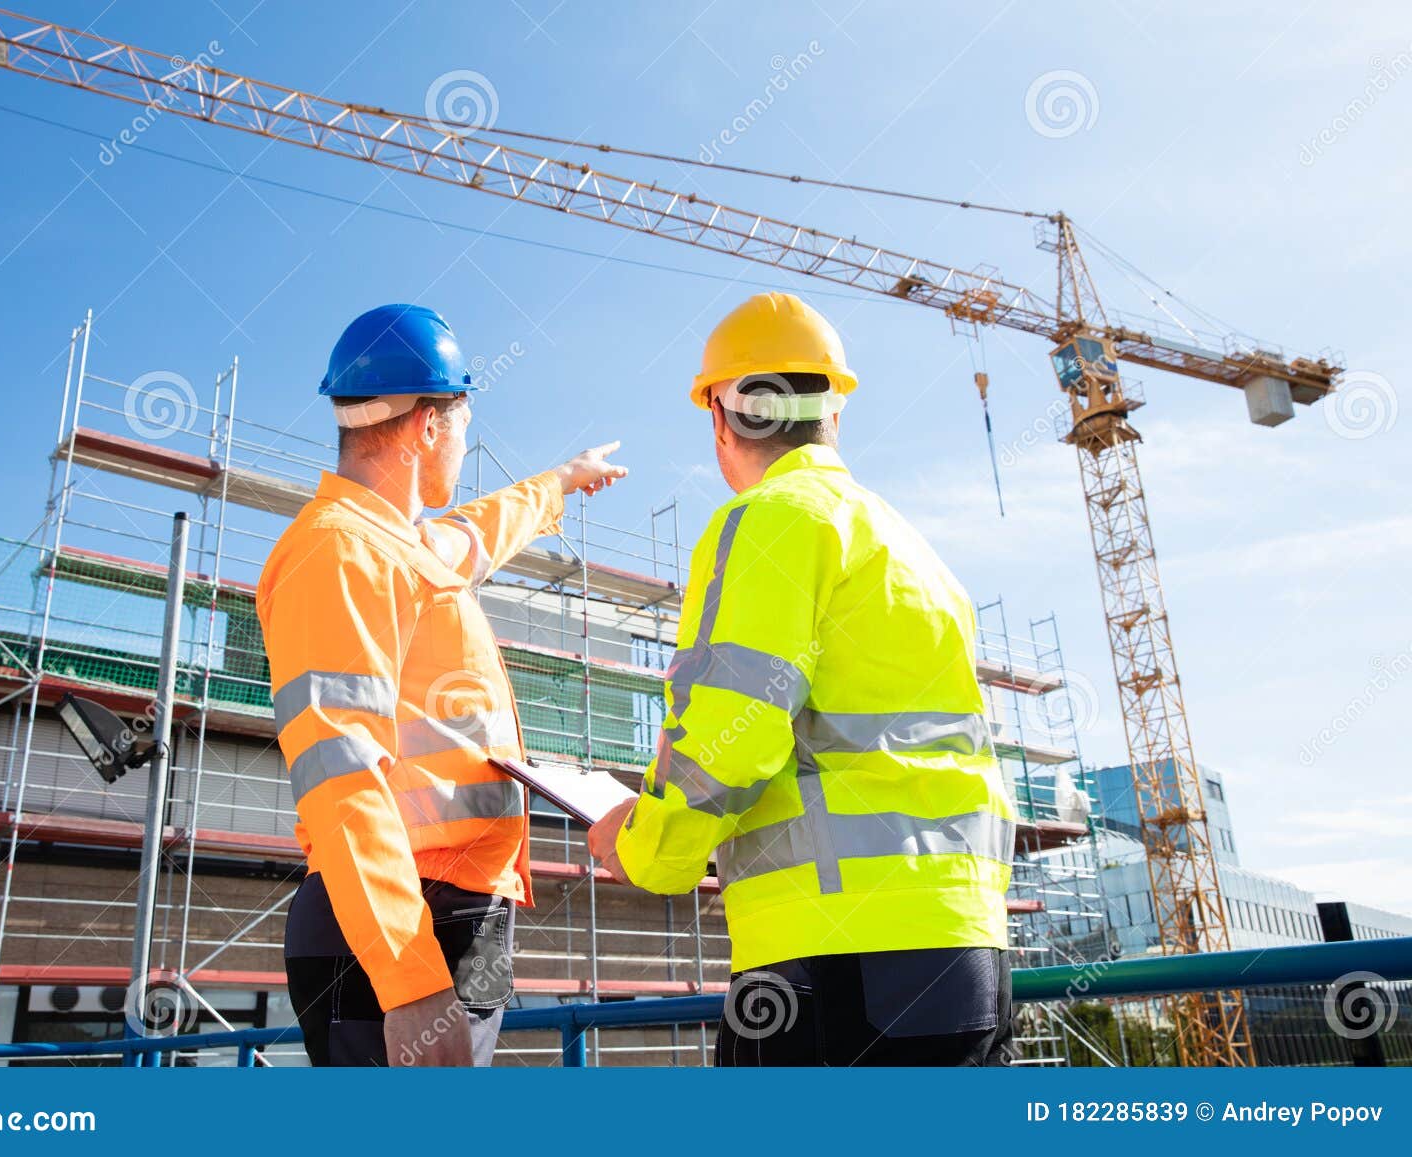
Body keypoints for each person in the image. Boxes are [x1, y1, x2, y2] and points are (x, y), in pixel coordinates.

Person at [588, 292, 1015, 1066]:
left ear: (723, 416)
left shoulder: (771, 518)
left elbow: (730, 739)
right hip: (967, 953)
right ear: (835, 414)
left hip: (831, 959)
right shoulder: (912, 549)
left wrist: (646, 846)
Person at [260, 303, 625, 1066]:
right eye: (463, 429)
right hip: (401, 927)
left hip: (460, 916)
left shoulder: (406, 546)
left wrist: (563, 480)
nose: (464, 448)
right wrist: (412, 984)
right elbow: (341, 781)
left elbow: (484, 528)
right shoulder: (342, 553)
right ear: (429, 426)